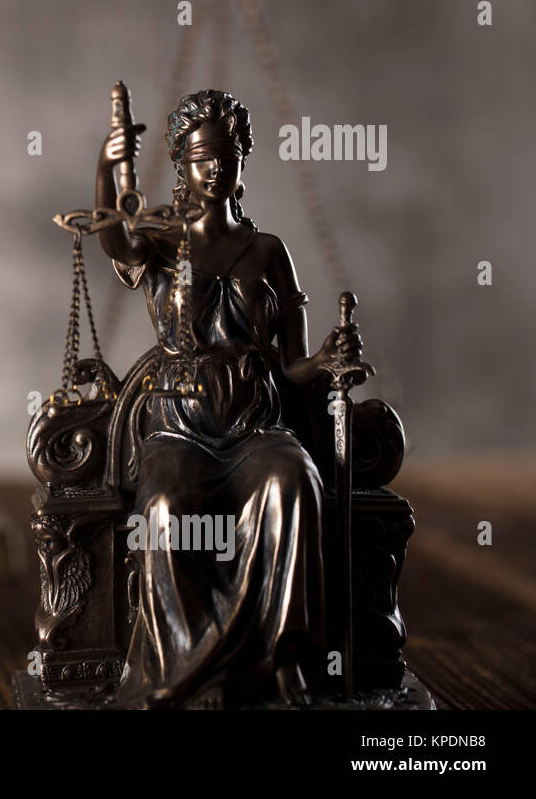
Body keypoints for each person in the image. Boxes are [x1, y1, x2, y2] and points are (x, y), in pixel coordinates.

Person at [94, 89, 362, 707]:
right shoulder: (160, 238)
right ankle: (195, 674)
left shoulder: (270, 252)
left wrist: (328, 358)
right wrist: (106, 171)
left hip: (256, 423)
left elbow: (293, 367)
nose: (215, 168)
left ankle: (279, 663)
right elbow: (113, 239)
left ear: (243, 160)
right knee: (165, 507)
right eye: (200, 157)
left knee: (291, 482)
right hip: (180, 423)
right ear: (183, 164)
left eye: (227, 155)